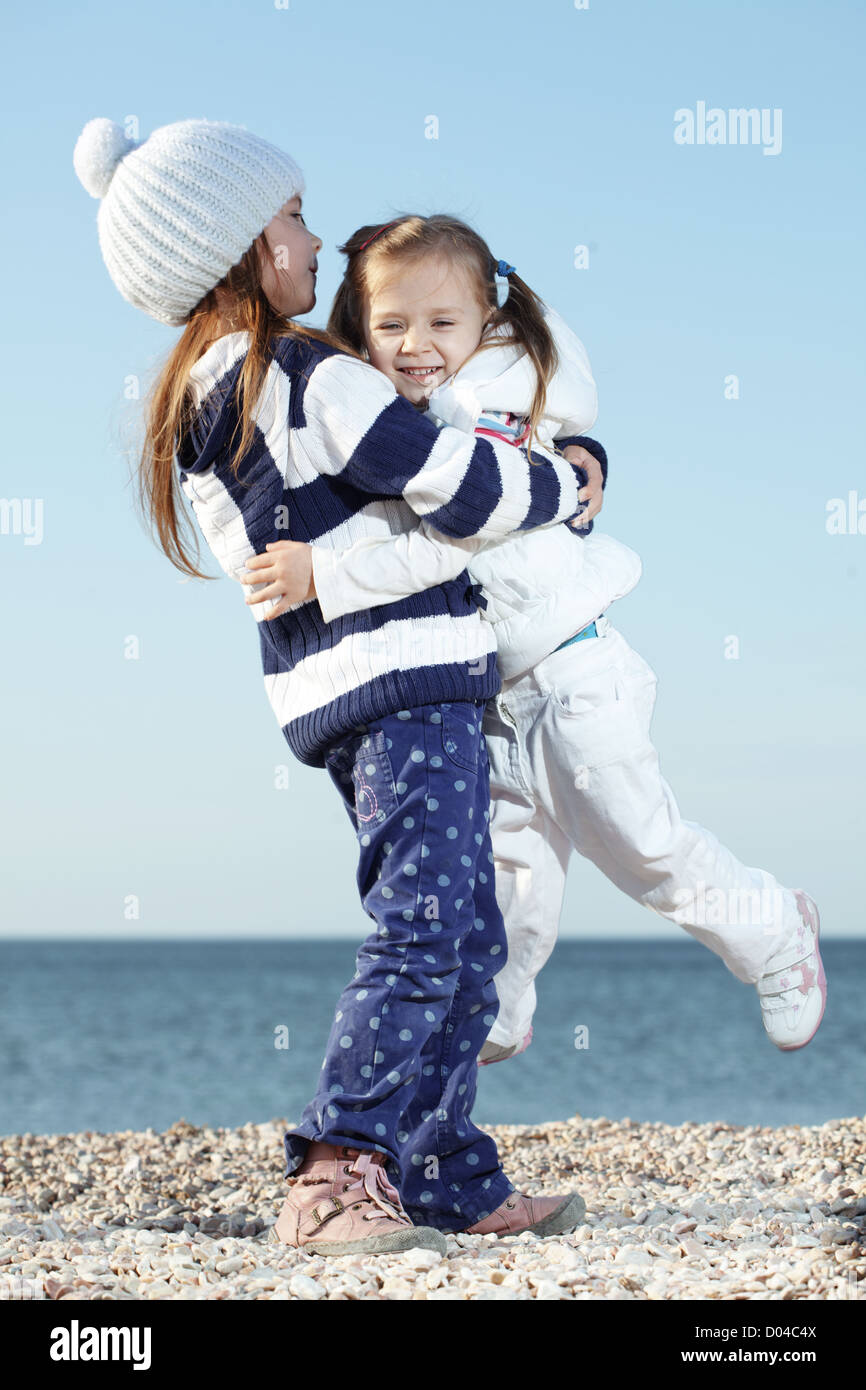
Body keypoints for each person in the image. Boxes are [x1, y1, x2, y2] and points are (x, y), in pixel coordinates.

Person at [73, 117, 600, 1254]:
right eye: (295, 218)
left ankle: (443, 1173)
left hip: (344, 698)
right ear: (241, 246)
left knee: (463, 929)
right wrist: (567, 481)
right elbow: (456, 486)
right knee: (425, 929)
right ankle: (332, 1172)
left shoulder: (204, 396)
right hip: (406, 686)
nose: (316, 242)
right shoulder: (306, 375)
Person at [244, 213, 827, 1070]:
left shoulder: (484, 408)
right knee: (509, 871)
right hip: (490, 691)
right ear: (360, 331)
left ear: (488, 318)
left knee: (640, 844)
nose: (415, 345)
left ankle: (776, 933)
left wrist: (326, 576)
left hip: (571, 670)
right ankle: (502, 1006)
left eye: (442, 322)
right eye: (391, 325)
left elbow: (453, 539)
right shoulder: (400, 414)